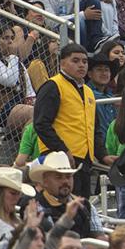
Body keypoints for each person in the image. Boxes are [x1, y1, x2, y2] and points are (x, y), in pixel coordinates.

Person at [33, 43, 98, 197]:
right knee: (61, 204)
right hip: (59, 159)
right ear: (62, 63)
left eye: (84, 61)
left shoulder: (89, 91)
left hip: (84, 160)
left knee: (82, 207)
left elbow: (94, 128)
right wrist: (62, 150)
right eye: (75, 61)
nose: (81, 65)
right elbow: (41, 124)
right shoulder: (52, 86)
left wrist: (103, 155)